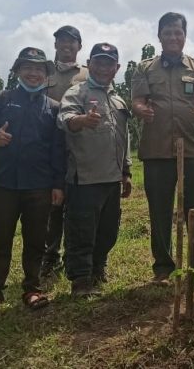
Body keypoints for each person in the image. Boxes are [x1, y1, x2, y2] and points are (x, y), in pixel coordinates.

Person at [0, 47, 65, 313]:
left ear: (46, 75)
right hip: (4, 185)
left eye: (39, 69)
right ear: (17, 71)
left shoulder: (53, 108)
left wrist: (58, 184)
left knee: (36, 240)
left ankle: (32, 289)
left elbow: (58, 151)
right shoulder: (1, 99)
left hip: (39, 186)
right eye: (27, 67)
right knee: (0, 239)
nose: (33, 73)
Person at [131, 12, 194, 285]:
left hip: (191, 148)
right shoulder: (145, 68)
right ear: (159, 36)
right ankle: (163, 267)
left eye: (178, 32)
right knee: (159, 209)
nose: (173, 37)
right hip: (156, 150)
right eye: (167, 33)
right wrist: (141, 109)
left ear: (184, 35)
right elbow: (137, 101)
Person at [58, 42, 132, 298]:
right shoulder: (76, 93)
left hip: (112, 177)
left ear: (116, 68)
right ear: (89, 64)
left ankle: (98, 268)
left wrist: (126, 171)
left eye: (109, 63)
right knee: (82, 231)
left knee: (108, 230)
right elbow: (64, 119)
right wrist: (82, 120)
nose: (103, 68)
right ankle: (80, 281)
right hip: (85, 177)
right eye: (98, 62)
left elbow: (124, 137)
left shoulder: (118, 99)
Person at [41, 25, 89, 278]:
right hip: (50, 149)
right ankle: (50, 255)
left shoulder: (88, 74)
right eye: (61, 41)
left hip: (79, 148)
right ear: (56, 45)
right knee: (53, 204)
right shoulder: (44, 73)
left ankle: (73, 254)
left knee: (76, 205)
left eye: (72, 42)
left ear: (79, 46)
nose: (66, 46)